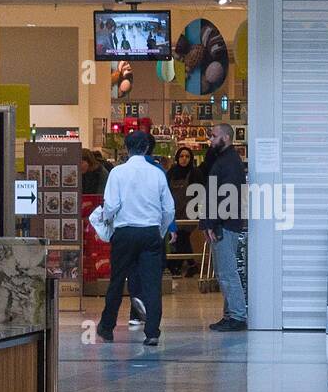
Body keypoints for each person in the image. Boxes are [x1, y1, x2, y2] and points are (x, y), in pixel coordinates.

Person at [95, 131, 174, 346]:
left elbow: (110, 205)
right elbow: (169, 208)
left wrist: (108, 221)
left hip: (125, 232)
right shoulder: (157, 173)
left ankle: (107, 327)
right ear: (147, 148)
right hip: (150, 232)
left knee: (117, 280)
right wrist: (160, 231)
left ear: (126, 149)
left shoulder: (118, 173)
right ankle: (152, 332)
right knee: (152, 284)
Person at [202, 123, 247, 331]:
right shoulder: (225, 160)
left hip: (225, 225)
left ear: (226, 137)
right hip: (224, 223)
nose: (210, 140)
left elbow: (225, 196)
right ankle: (230, 314)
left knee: (227, 272)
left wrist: (212, 223)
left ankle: (237, 315)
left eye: (214, 136)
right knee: (224, 272)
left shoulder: (229, 162)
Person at [167, 146, 202, 275]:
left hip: (189, 211)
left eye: (187, 156)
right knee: (177, 239)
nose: (184, 159)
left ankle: (178, 265)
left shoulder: (195, 173)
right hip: (173, 211)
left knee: (182, 237)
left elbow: (200, 192)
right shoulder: (171, 173)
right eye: (181, 156)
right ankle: (185, 264)